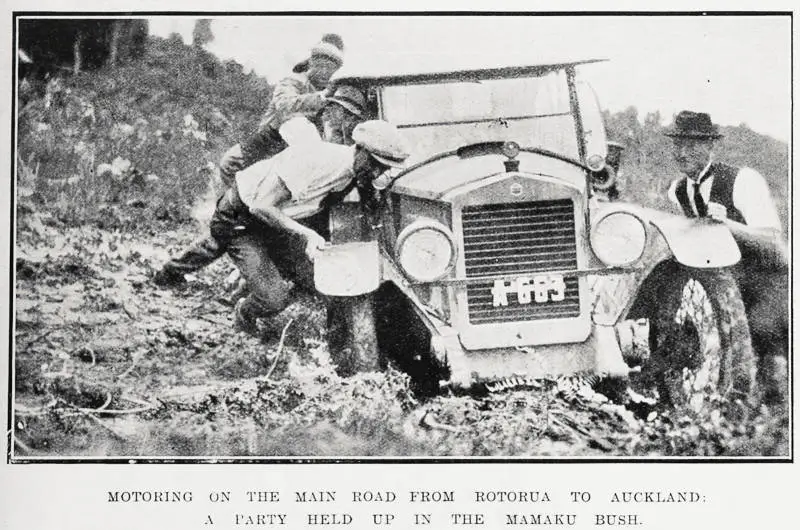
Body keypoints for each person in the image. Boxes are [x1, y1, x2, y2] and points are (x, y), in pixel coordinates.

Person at [208, 120, 409, 334]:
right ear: (360, 150)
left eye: (384, 169)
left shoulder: (352, 174)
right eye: (375, 164)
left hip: (275, 226)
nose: (376, 173)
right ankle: (244, 314)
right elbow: (261, 206)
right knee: (273, 299)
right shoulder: (318, 159)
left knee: (326, 285)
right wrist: (308, 235)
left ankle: (333, 348)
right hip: (241, 221)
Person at [664, 110, 788, 402]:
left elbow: (773, 241)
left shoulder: (743, 180)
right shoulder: (677, 191)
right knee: (734, 361)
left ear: (710, 146)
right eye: (678, 144)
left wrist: (727, 225)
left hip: (768, 279)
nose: (682, 153)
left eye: (692, 145)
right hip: (729, 282)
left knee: (770, 352)